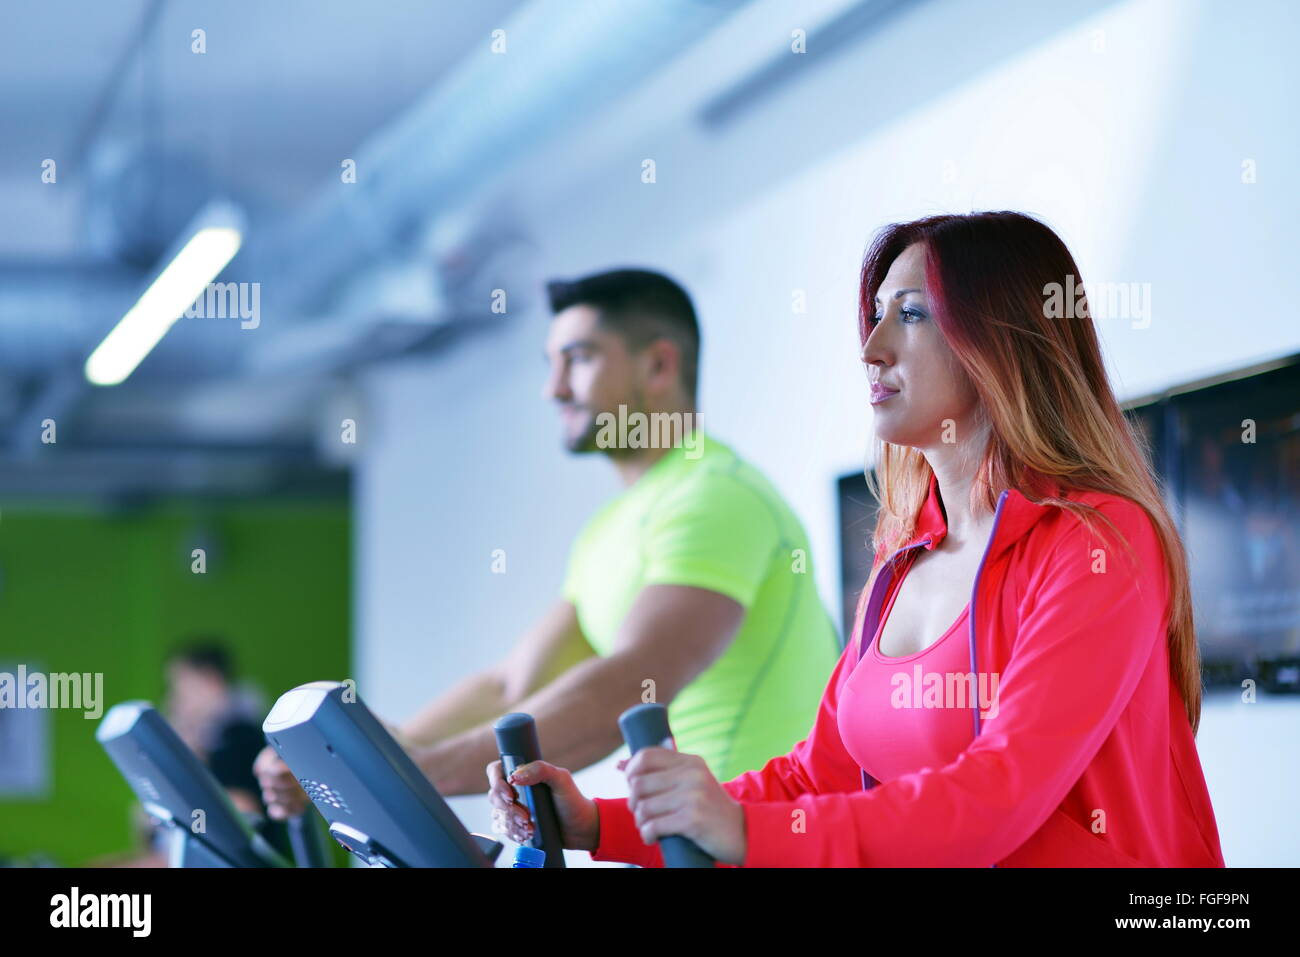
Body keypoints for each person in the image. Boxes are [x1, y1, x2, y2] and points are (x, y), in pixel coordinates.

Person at [486, 212, 1227, 867]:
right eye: (874, 316)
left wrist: (743, 831)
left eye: (909, 314)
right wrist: (598, 823)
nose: (870, 348)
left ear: (1000, 339)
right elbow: (816, 776)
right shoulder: (900, 564)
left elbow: (999, 795)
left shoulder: (1099, 543)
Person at [255, 268, 840, 817]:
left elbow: (632, 685)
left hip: (761, 837)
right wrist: (365, 752)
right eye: (550, 364)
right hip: (689, 837)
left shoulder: (716, 497)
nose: (552, 389)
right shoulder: (610, 529)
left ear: (659, 366)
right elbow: (511, 684)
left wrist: (416, 775)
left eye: (578, 360)